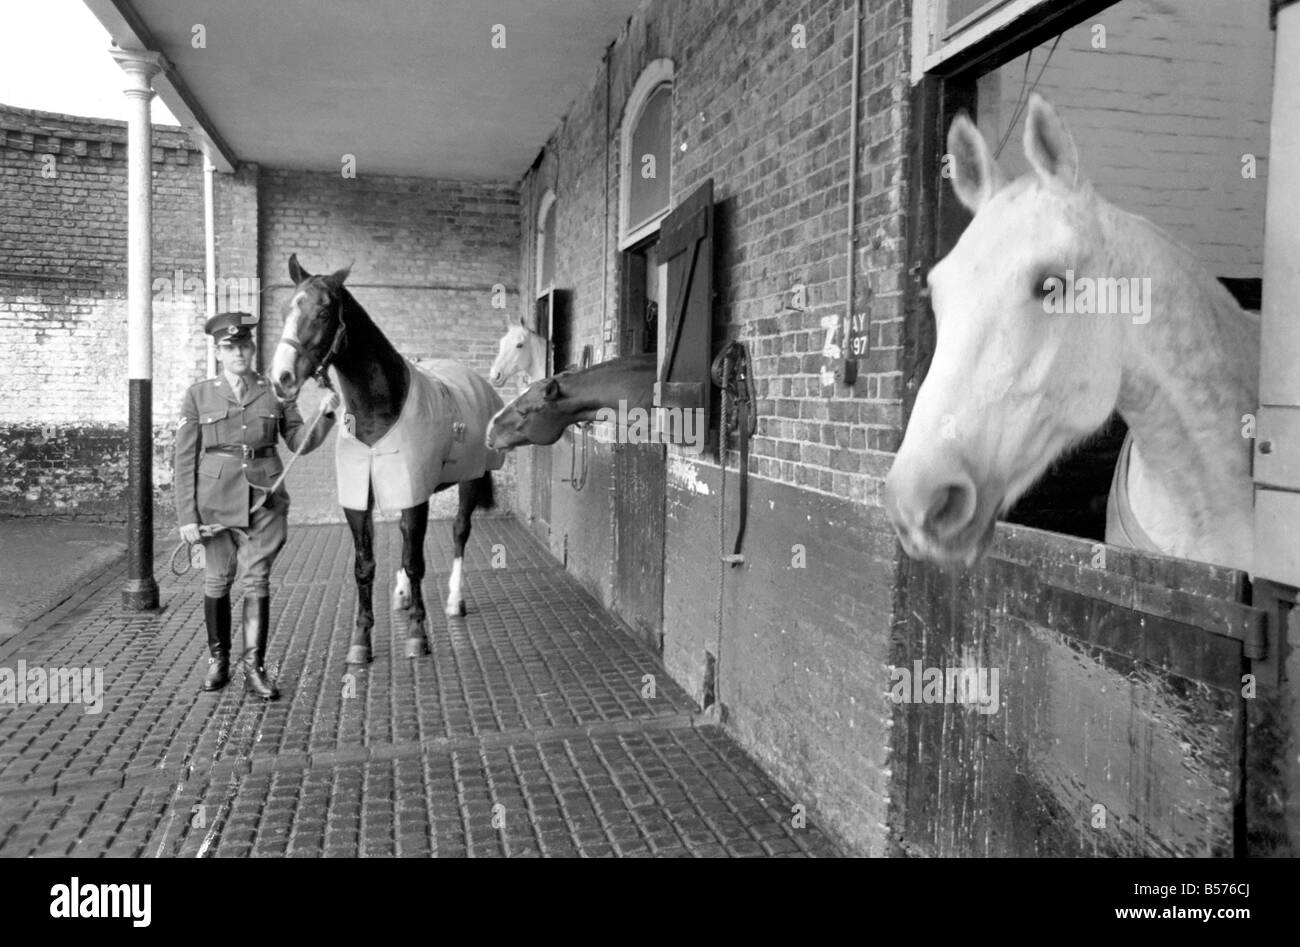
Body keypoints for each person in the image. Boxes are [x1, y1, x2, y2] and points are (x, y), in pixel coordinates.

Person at [174, 312, 338, 699]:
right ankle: (218, 661)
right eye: (230, 347)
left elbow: (298, 442)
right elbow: (183, 459)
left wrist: (325, 413)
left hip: (264, 499)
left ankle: (254, 667)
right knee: (216, 580)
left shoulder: (274, 390)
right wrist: (187, 518)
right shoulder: (199, 395)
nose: (239, 353)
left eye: (245, 346)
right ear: (217, 352)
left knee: (256, 579)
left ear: (252, 348)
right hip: (213, 503)